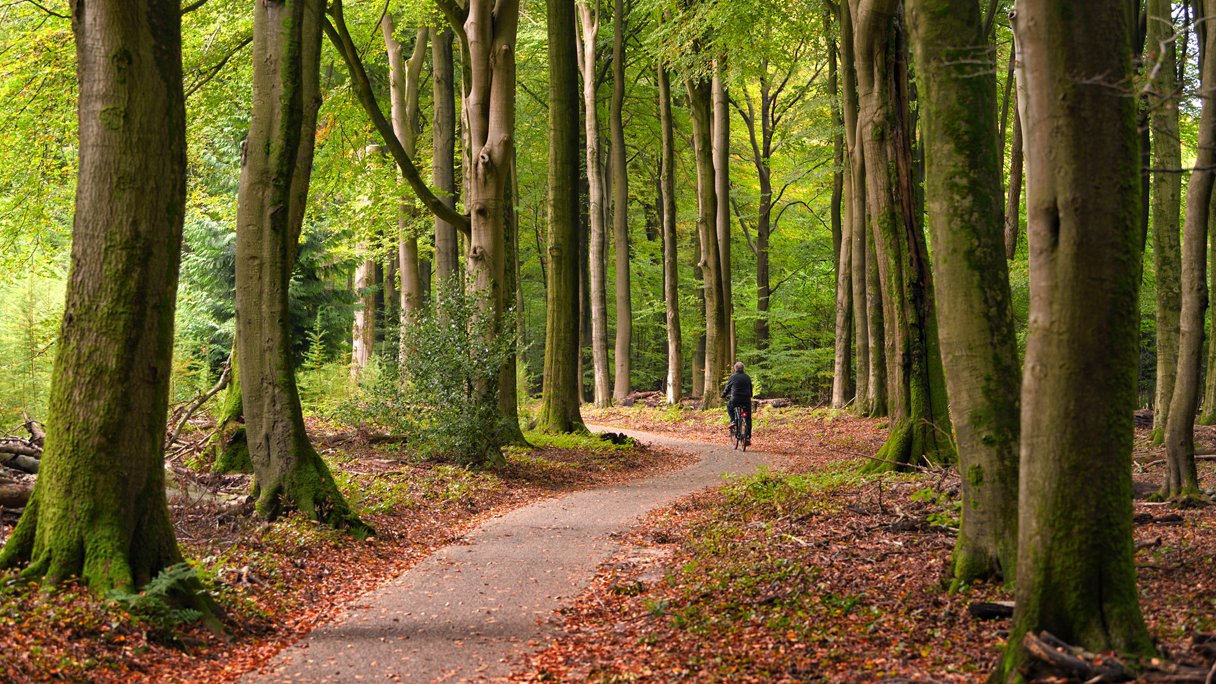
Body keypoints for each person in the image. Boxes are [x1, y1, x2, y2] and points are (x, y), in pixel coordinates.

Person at [721, 361, 753, 444]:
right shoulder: (747, 377)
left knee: (729, 405)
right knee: (748, 418)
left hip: (736, 399)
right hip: (746, 400)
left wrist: (723, 395)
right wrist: (750, 395)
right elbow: (750, 389)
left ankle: (733, 421)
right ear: (743, 369)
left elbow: (727, 388)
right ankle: (748, 437)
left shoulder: (733, 377)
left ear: (735, 369)